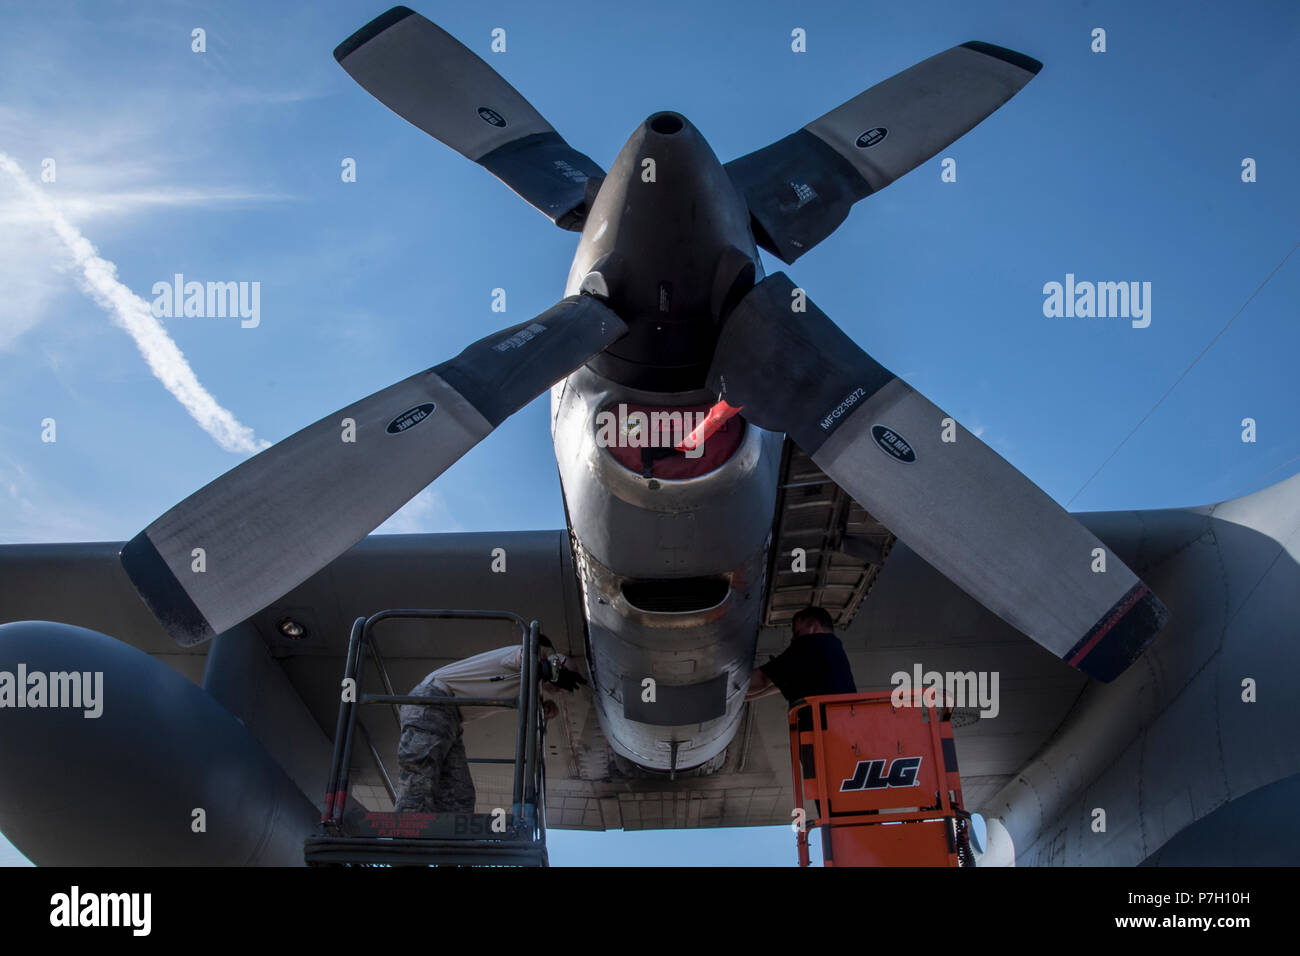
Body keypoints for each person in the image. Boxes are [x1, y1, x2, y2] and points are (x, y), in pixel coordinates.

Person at [393, 635, 585, 814]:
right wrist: (546, 668)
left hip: (451, 717)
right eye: (563, 683)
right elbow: (521, 658)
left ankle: (445, 843)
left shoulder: (531, 687)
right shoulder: (524, 656)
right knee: (421, 775)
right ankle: (408, 831)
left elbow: (530, 706)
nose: (561, 690)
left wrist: (543, 707)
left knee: (460, 795)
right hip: (433, 701)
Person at [745, 605, 856, 705]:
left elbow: (761, 679)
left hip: (823, 722)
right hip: (846, 722)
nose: (793, 639)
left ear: (814, 627)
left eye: (797, 632)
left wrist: (729, 686)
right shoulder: (834, 648)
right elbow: (777, 684)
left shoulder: (810, 644)